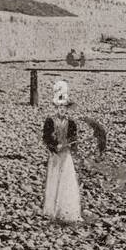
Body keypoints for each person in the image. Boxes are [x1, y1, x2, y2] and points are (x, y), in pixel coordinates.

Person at [42, 88, 82, 223]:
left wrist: (70, 144)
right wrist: (54, 146)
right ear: (55, 107)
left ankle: (66, 210)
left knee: (66, 180)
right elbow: (46, 137)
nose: (62, 109)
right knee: (53, 179)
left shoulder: (71, 123)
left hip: (65, 155)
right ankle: (51, 210)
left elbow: (73, 138)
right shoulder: (50, 121)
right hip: (55, 156)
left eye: (64, 107)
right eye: (59, 107)